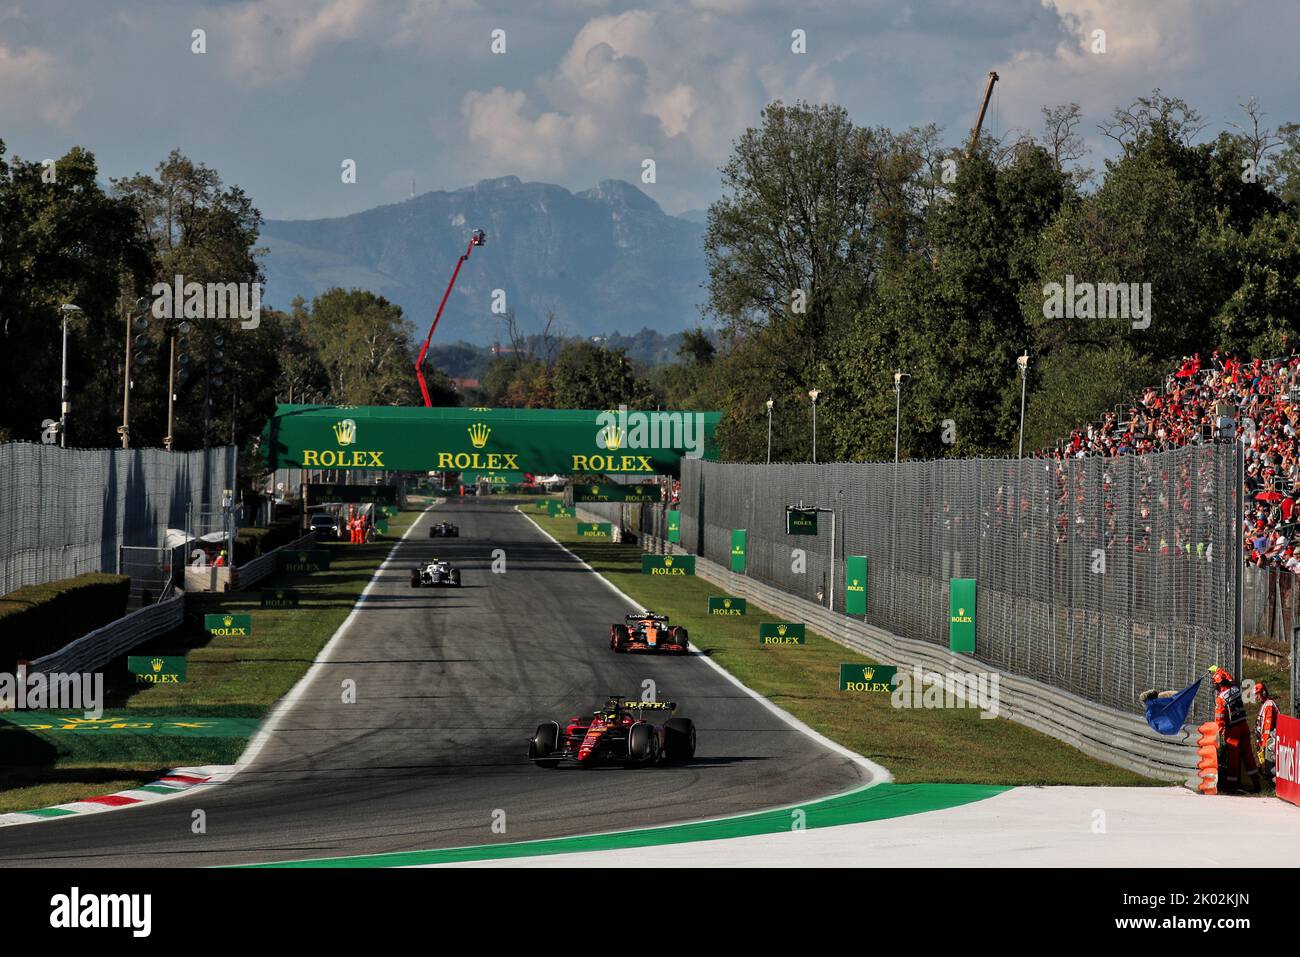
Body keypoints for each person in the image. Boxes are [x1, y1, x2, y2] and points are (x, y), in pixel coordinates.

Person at [1212, 666, 1261, 793]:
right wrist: (1218, 669)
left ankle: (1232, 785)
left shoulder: (1221, 699)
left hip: (1233, 730)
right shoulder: (1235, 689)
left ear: (1220, 685)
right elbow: (1230, 678)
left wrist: (1219, 732)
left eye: (1216, 685)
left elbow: (1219, 719)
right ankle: (1256, 783)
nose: (1215, 687)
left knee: (1232, 757)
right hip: (1244, 725)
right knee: (1248, 755)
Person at [1256, 681, 1279, 786]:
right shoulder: (1265, 704)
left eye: (1258, 694)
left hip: (1271, 739)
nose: (1256, 697)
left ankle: (1272, 786)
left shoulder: (1269, 705)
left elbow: (1267, 727)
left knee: (1270, 767)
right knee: (1266, 765)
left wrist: (1264, 744)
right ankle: (1270, 785)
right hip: (1267, 739)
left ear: (1263, 693)